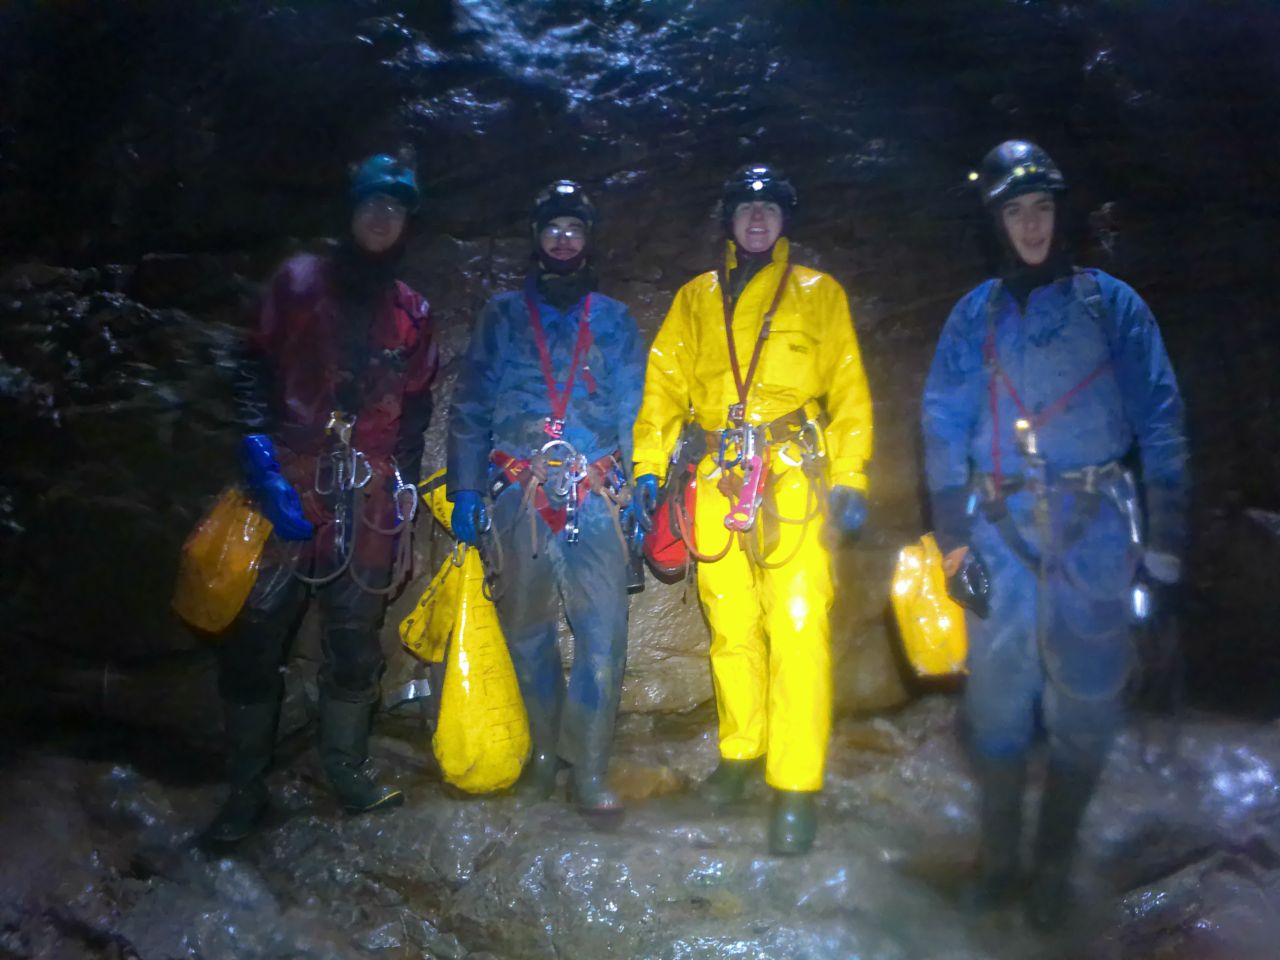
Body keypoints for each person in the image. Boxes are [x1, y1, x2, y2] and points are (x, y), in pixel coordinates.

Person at [922, 140, 1188, 928]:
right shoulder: (975, 315)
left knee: (1089, 703)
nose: (1031, 225)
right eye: (1016, 211)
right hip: (999, 529)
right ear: (997, 222)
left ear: (1059, 215)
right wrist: (952, 540)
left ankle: (1051, 867)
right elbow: (942, 422)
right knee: (998, 701)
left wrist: (1167, 538)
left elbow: (1161, 419)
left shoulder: (1112, 306)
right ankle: (1001, 864)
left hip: (1097, 523)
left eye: (1042, 209)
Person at [632, 164, 874, 854]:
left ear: (785, 220)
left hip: (792, 475)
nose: (758, 219)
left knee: (797, 625)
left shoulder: (817, 295)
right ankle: (742, 753)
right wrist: (651, 468)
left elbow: (851, 393)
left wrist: (852, 476)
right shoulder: (695, 300)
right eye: (746, 209)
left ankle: (795, 784)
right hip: (715, 479)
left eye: (770, 208)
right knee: (731, 624)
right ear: (730, 221)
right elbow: (663, 389)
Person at [206, 153, 439, 842]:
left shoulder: (412, 311)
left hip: (365, 494)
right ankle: (245, 791)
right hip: (293, 478)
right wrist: (256, 452)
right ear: (351, 209)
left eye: (394, 209)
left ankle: (346, 769)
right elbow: (249, 362)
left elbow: (418, 403)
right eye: (372, 204)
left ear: (406, 223)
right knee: (254, 639)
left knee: (355, 644)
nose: (381, 217)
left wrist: (402, 483)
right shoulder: (299, 282)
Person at [446, 180, 645, 814]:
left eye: (575, 230)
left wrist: (644, 484)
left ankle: (586, 767)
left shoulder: (612, 320)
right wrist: (467, 489)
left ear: (588, 241)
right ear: (538, 239)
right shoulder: (503, 315)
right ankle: (539, 754)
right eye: (553, 228)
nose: (563, 239)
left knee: (603, 635)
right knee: (527, 630)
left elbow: (637, 406)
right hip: (519, 489)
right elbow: (471, 403)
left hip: (594, 492)